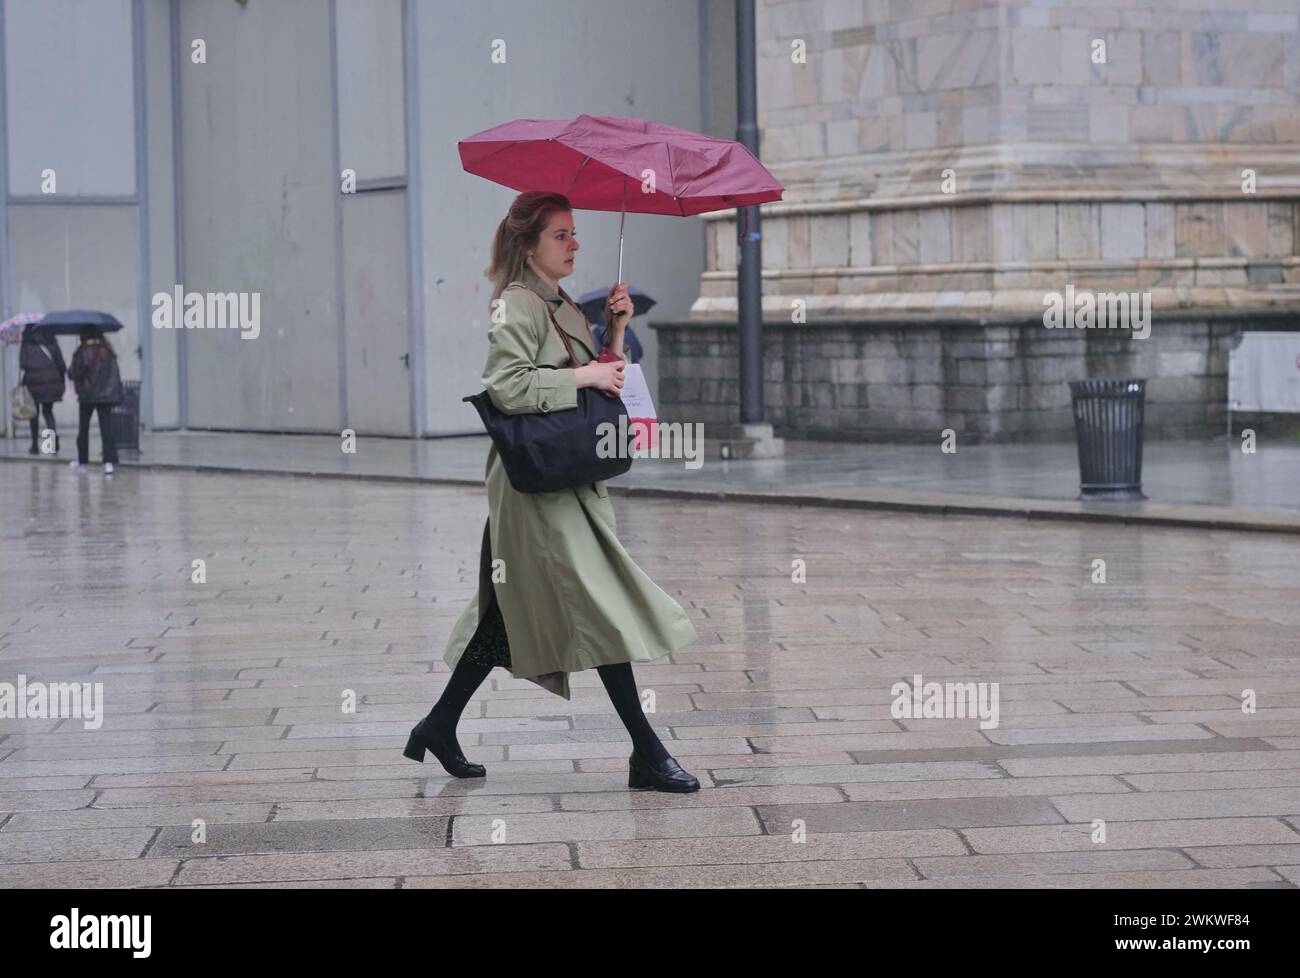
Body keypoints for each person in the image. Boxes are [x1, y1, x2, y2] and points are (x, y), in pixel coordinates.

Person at [404, 191, 701, 792]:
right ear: (528, 244)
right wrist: (586, 371)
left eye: (574, 233)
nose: (575, 244)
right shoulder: (516, 305)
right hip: (535, 490)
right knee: (598, 604)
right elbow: (507, 386)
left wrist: (614, 334)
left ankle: (437, 725)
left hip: (564, 479)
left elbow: (602, 386)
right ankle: (646, 751)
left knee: (506, 620)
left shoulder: (558, 301)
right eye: (561, 235)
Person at [67, 327, 124, 474]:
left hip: (87, 395)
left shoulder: (82, 351)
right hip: (106, 396)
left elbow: (74, 373)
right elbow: (115, 375)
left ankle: (82, 461)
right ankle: (108, 463)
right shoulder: (108, 351)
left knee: (84, 428)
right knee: (106, 428)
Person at [18, 324, 66, 455]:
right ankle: (51, 446)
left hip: (32, 384)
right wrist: (61, 382)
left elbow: (22, 365)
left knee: (33, 415)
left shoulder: (26, 343)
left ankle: (34, 446)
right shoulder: (51, 341)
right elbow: (61, 364)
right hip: (51, 384)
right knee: (48, 412)